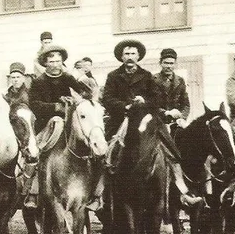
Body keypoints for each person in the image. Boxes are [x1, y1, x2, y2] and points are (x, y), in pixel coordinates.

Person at [101, 40, 195, 204]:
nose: (130, 57)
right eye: (127, 54)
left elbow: (156, 98)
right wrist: (126, 105)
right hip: (120, 119)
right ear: (121, 57)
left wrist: (144, 101)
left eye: (133, 54)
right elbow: (107, 98)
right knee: (104, 151)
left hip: (145, 118)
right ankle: (99, 194)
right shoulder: (113, 76)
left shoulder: (146, 75)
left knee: (170, 147)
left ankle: (182, 189)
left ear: (138, 56)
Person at [28, 44, 92, 209]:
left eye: (58, 61)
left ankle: (94, 191)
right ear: (46, 63)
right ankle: (33, 192)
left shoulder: (69, 78)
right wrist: (56, 106)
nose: (55, 64)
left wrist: (74, 100)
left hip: (70, 123)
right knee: (38, 155)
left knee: (89, 145)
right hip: (47, 125)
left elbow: (84, 95)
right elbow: (34, 104)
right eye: (51, 61)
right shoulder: (38, 82)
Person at [151, 48, 190, 129]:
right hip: (158, 122)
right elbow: (150, 104)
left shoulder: (180, 81)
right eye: (166, 63)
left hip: (176, 122)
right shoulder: (152, 80)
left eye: (171, 63)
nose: (169, 66)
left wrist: (182, 118)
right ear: (160, 63)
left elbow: (186, 104)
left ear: (175, 64)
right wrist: (166, 113)